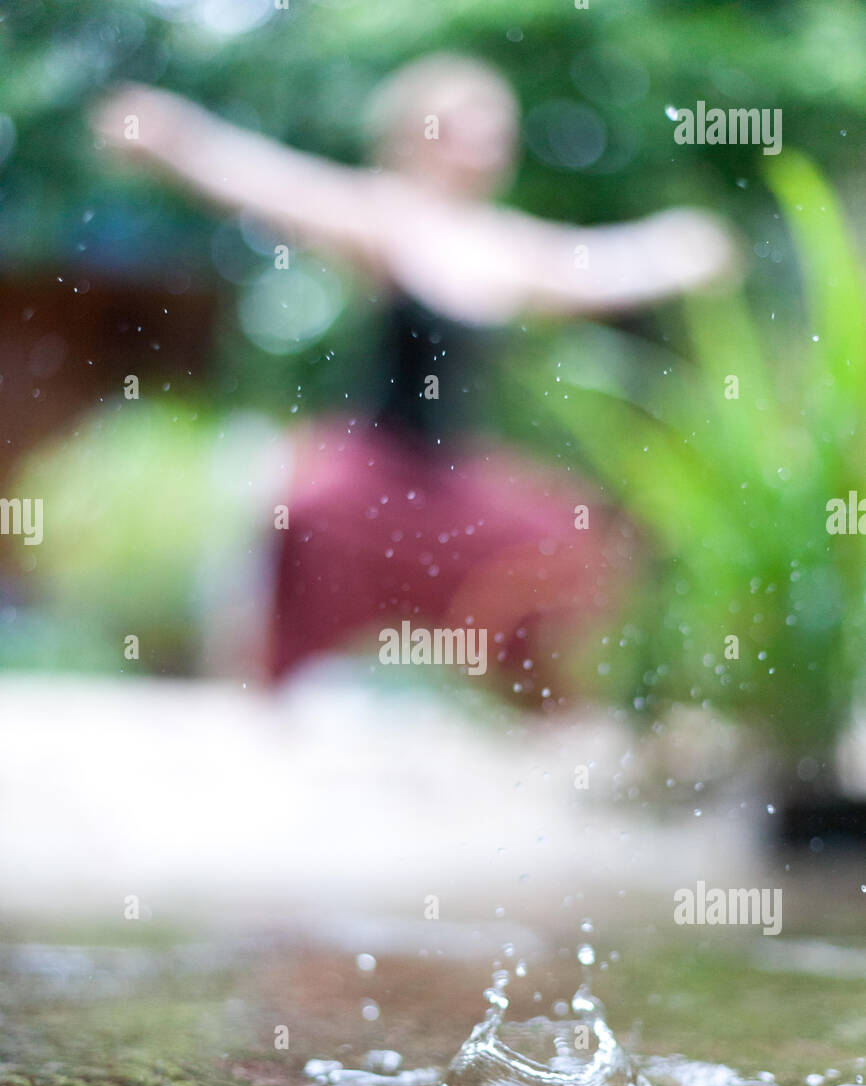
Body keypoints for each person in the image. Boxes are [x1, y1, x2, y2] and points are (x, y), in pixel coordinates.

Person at [92, 56, 738, 704]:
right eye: (470, 125)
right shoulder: (381, 213)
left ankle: (556, 715)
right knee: (305, 517)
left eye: (498, 129)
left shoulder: (506, 243)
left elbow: (600, 267)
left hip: (453, 477)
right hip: (372, 465)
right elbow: (271, 182)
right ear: (418, 132)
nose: (489, 143)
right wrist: (176, 138)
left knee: (567, 543)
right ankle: (272, 701)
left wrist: (682, 246)